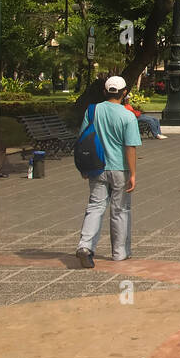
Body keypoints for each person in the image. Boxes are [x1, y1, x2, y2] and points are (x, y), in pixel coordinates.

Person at [75, 75, 142, 267]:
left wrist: (83, 166)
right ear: (125, 93)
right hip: (119, 168)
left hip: (96, 166)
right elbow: (130, 147)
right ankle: (120, 252)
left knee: (95, 206)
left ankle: (85, 246)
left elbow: (82, 138)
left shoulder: (93, 111)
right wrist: (133, 173)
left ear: (105, 92)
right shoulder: (127, 116)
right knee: (120, 210)